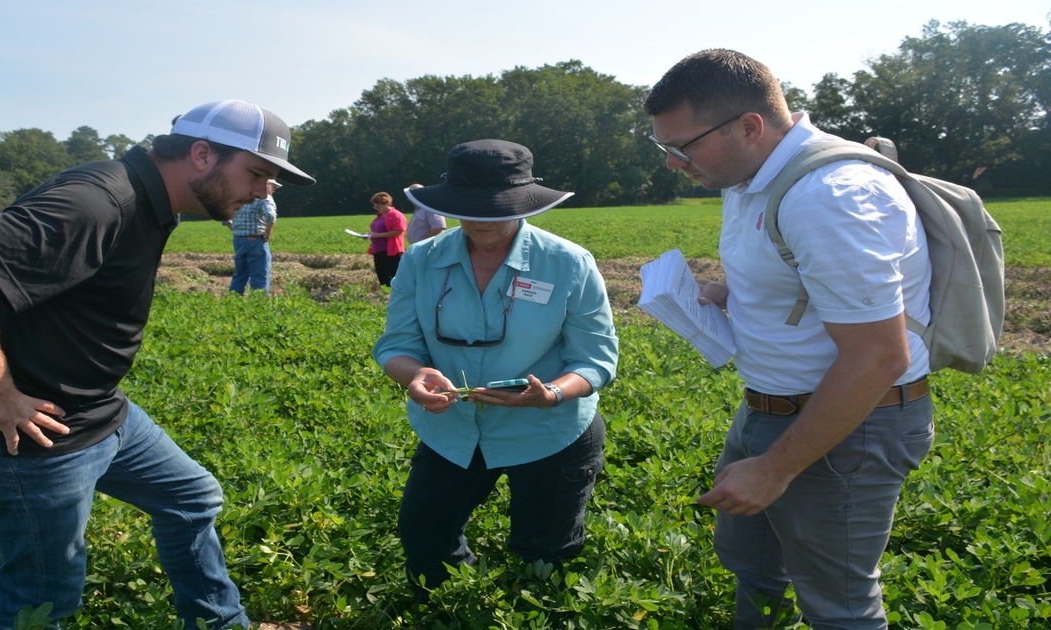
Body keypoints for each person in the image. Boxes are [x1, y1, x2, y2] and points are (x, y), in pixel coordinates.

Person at [0, 99, 315, 630]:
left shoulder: (149, 199)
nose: (264, 192)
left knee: (191, 497)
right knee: (44, 600)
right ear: (200, 154)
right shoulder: (99, 200)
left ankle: (220, 622)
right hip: (31, 441)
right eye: (257, 174)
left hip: (102, 414)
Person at [642, 49, 934, 628]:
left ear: (750, 126)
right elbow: (801, 278)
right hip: (769, 408)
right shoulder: (750, 177)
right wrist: (734, 292)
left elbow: (878, 354)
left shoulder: (831, 197)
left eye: (683, 147)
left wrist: (775, 468)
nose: (674, 163)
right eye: (664, 148)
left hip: (849, 425)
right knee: (753, 565)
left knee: (840, 607)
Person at [372, 139, 619, 600]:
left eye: (498, 208)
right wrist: (412, 376)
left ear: (524, 203)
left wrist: (552, 393)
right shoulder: (421, 261)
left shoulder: (567, 263)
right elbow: (398, 343)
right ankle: (458, 608)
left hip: (551, 430)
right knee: (426, 542)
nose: (483, 219)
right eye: (471, 207)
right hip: (453, 429)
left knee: (544, 556)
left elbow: (596, 358)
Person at [226, 178, 281, 293]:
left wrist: (236, 230)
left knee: (240, 275)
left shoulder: (239, 197)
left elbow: (224, 218)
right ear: (265, 184)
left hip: (238, 240)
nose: (274, 191)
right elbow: (270, 215)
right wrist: (267, 232)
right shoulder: (264, 198)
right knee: (260, 276)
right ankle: (259, 304)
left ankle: (232, 302)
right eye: (273, 187)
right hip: (255, 240)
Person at [367, 191, 407, 286]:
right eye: (375, 206)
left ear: (386, 203)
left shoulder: (396, 215)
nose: (377, 208)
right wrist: (370, 235)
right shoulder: (380, 216)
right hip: (378, 250)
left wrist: (379, 235)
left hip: (391, 251)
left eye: (378, 205)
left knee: (394, 274)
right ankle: (386, 293)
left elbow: (399, 231)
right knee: (382, 275)